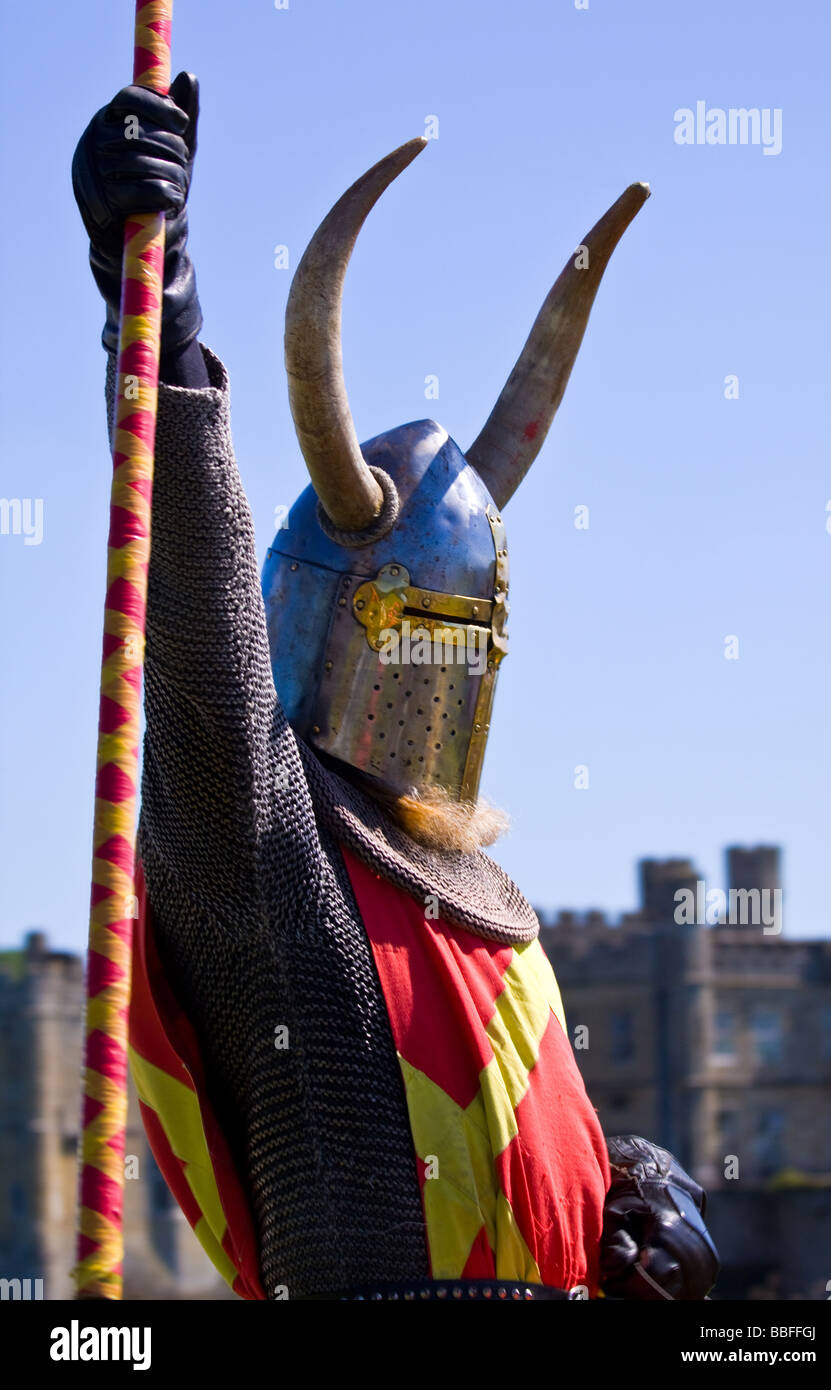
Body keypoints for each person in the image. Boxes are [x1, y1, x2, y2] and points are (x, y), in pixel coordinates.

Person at [72, 74, 719, 1302]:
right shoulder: (264, 841)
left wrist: (636, 1184)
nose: (450, 670)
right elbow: (196, 613)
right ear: (336, 618)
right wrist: (158, 299)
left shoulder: (479, 891)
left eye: (474, 633)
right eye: (425, 626)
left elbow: (508, 1122)